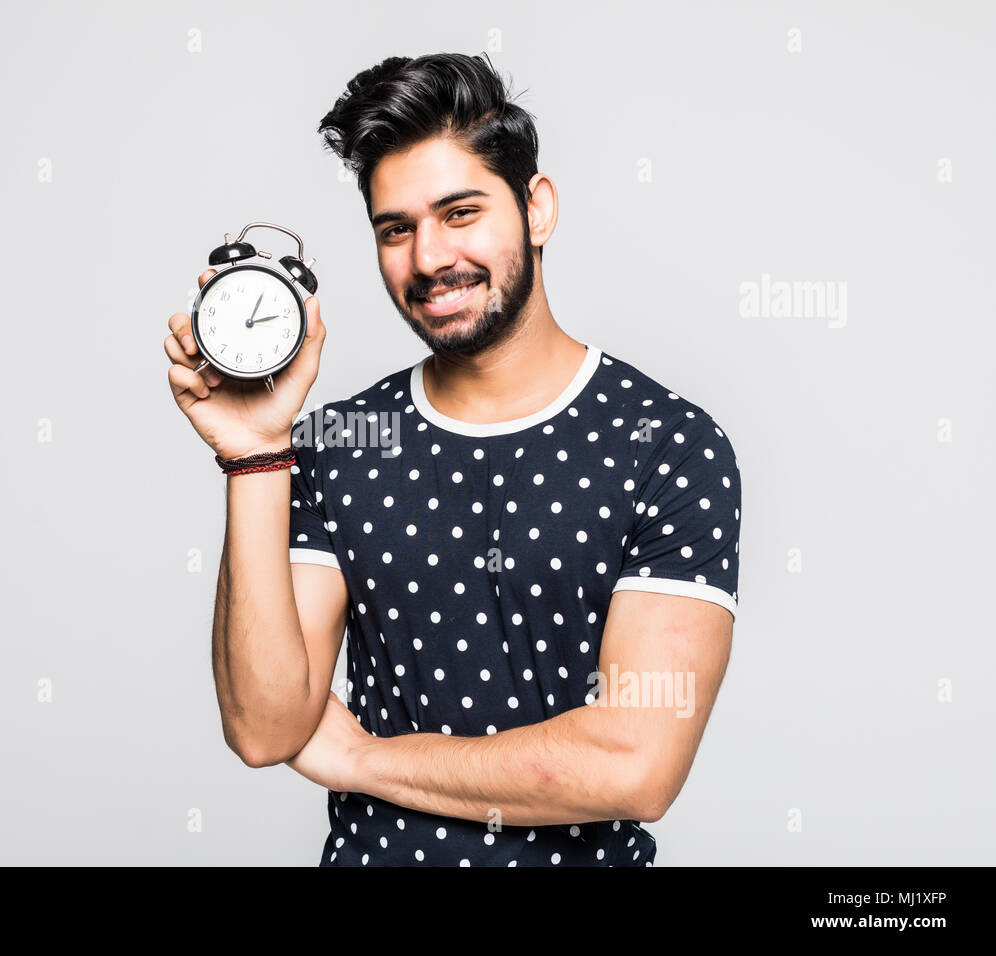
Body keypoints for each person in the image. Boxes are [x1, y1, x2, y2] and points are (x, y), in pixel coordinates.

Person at [165, 52, 741, 866]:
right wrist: (258, 455)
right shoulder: (341, 442)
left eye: (460, 212)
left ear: (536, 207)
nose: (429, 259)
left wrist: (362, 758)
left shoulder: (666, 444)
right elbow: (265, 727)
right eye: (395, 229)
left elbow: (635, 763)